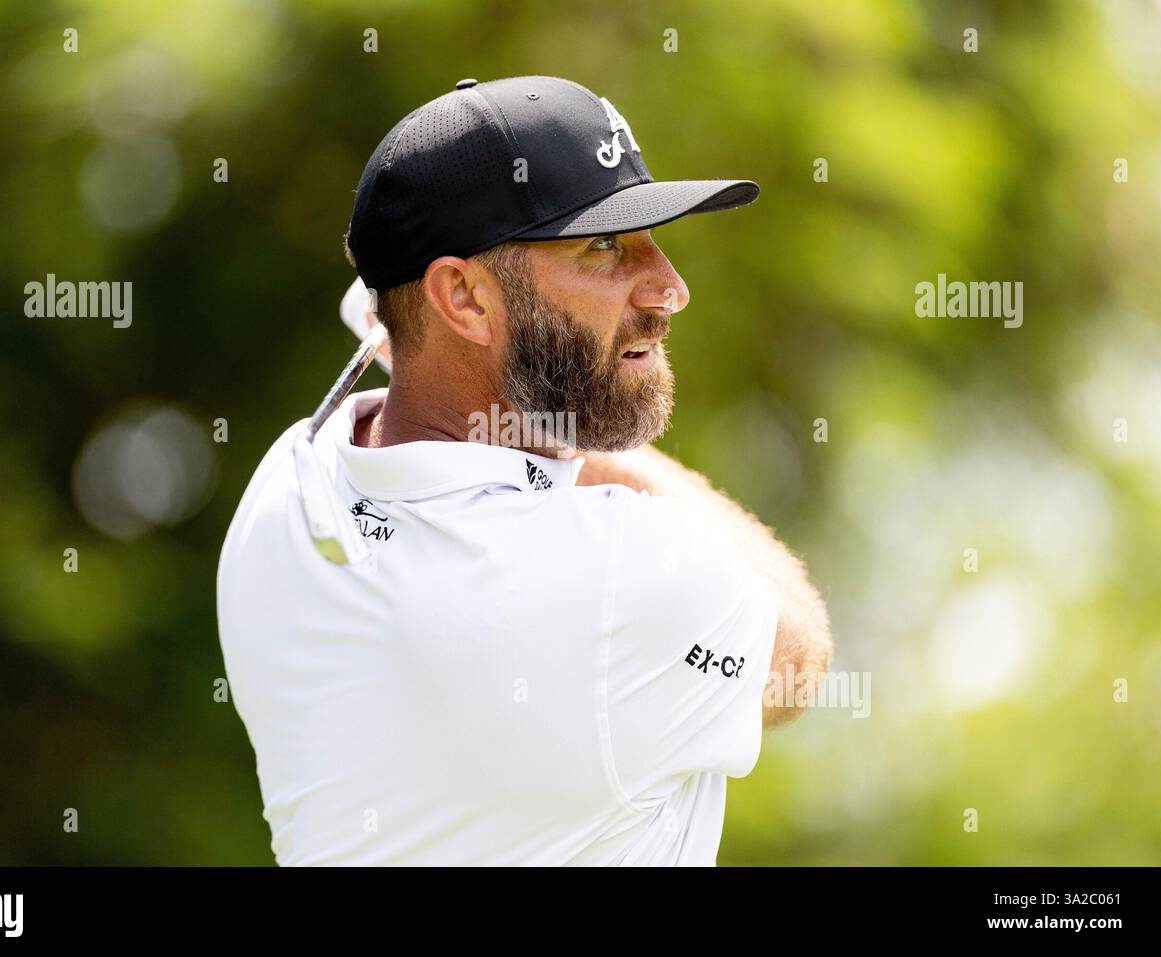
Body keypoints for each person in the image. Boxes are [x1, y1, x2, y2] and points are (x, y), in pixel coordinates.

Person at [217, 75, 832, 866]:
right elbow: (798, 656)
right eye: (605, 246)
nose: (670, 287)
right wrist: (598, 446)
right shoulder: (627, 574)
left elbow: (408, 355)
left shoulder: (284, 494)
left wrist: (447, 351)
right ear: (464, 299)